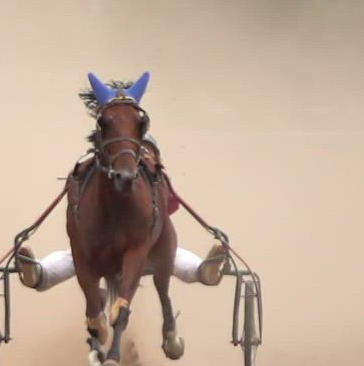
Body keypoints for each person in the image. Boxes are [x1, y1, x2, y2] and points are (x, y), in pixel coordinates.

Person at [15, 84, 230, 291]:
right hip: (101, 248)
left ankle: (203, 271)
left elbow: (166, 211)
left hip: (143, 250)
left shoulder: (155, 181)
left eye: (149, 152)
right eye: (142, 152)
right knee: (73, 256)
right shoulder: (101, 179)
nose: (145, 157)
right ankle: (38, 273)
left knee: (173, 255)